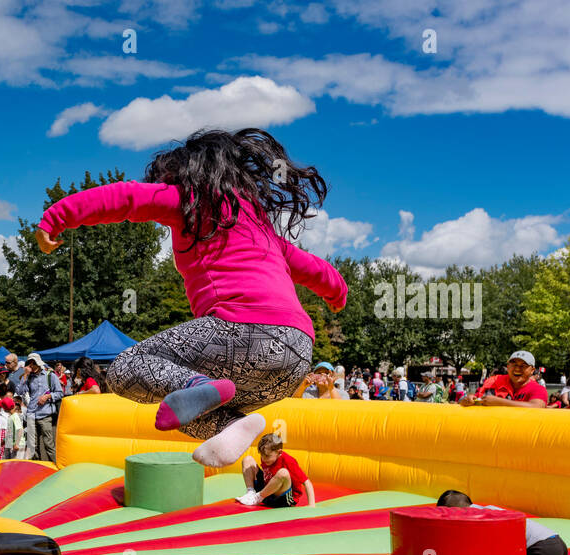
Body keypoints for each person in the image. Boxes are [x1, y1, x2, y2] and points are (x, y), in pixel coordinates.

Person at [35, 128, 347, 468]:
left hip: (243, 333)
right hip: (296, 355)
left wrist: (55, 219)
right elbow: (313, 268)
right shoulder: (262, 228)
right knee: (188, 404)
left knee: (126, 368)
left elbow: (124, 198)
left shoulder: (188, 199)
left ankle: (198, 383)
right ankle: (233, 428)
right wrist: (337, 294)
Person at [436, 490, 570, 555]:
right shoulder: (488, 509)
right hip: (558, 545)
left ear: (453, 511)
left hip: (543, 549)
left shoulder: (475, 517)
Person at [236, 432, 315, 507]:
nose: (263, 459)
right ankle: (251, 493)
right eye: (262, 455)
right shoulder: (266, 458)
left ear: (279, 452)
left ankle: (257, 498)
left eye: (267, 456)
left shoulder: (289, 461)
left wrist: (311, 505)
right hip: (267, 493)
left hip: (281, 499)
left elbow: (307, 483)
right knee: (247, 460)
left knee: (283, 473)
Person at [13, 353, 63, 462]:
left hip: (45, 415)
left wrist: (48, 396)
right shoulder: (28, 378)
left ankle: (55, 468)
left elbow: (60, 393)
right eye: (30, 364)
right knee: (33, 446)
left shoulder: (50, 376)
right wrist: (25, 375)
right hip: (31, 415)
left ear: (39, 364)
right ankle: (37, 469)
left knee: (49, 445)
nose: (32, 366)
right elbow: (19, 391)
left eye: (34, 363)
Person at [460, 351, 547, 408]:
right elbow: (477, 400)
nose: (517, 369)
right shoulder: (494, 382)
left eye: (523, 366)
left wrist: (499, 402)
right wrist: (468, 400)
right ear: (508, 366)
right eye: (514, 364)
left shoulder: (538, 389)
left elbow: (536, 407)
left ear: (532, 370)